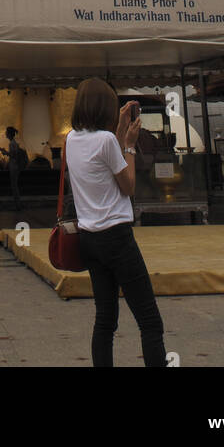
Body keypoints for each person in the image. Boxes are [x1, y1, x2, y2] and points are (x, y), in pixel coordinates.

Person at [66, 78, 166, 368]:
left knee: (105, 320)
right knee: (150, 322)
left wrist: (121, 130)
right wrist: (131, 146)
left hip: (89, 238)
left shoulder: (72, 139)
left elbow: (105, 157)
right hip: (117, 237)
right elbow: (129, 186)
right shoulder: (107, 141)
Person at [0, 125, 23, 211]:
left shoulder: (12, 144)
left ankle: (17, 204)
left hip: (14, 167)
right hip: (15, 166)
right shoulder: (14, 143)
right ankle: (17, 204)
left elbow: (13, 155)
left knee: (14, 186)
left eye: (6, 132)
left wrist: (5, 152)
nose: (5, 134)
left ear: (9, 134)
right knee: (14, 185)